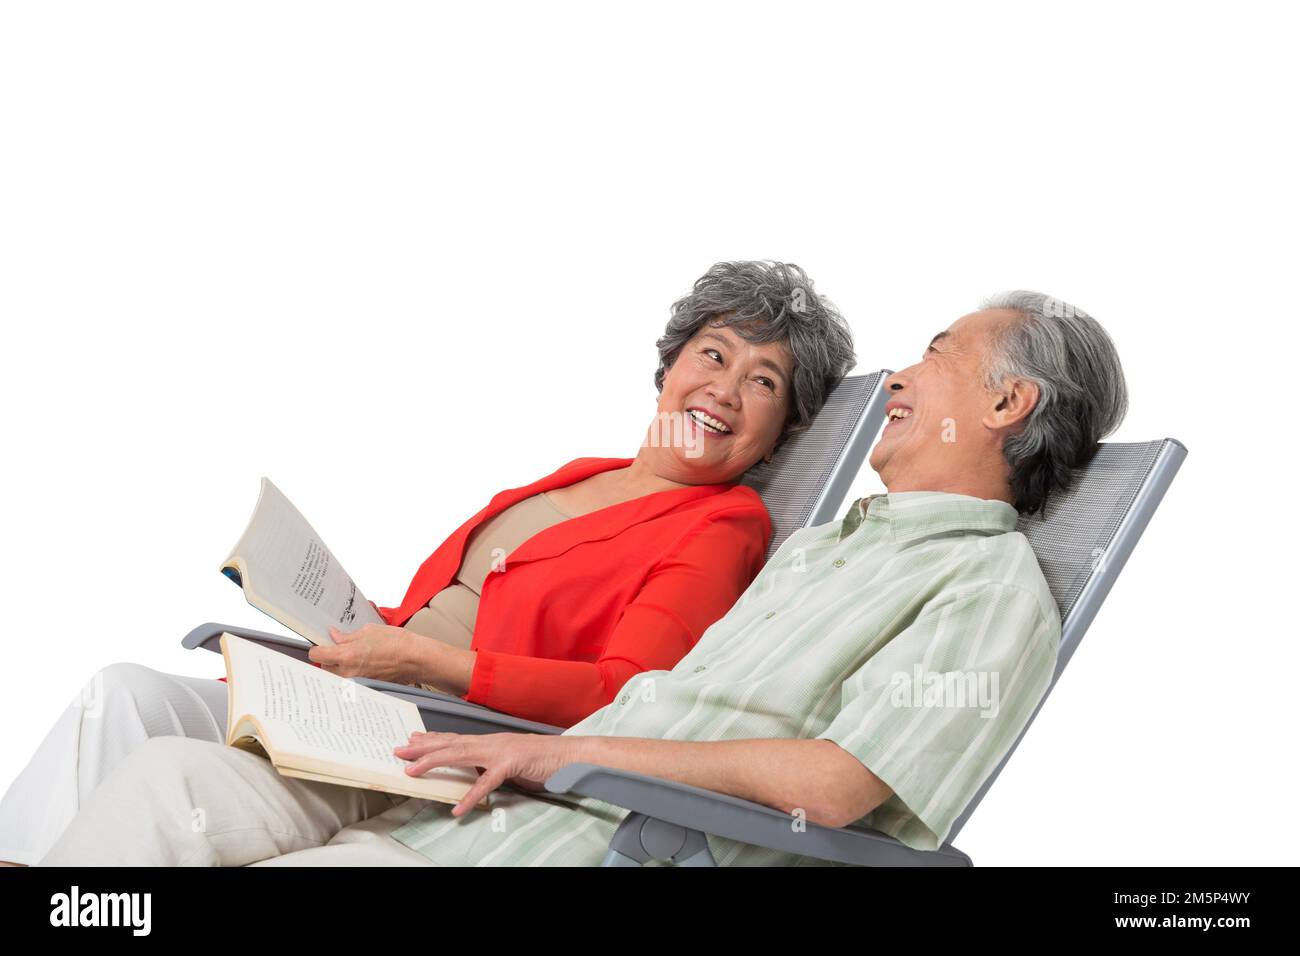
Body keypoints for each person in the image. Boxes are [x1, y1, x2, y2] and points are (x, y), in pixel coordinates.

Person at [36, 289, 1126, 868]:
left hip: (588, 830)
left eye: (932, 353)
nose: (896, 374)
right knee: (154, 785)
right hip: (494, 791)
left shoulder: (987, 590)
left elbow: (836, 787)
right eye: (710, 354)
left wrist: (560, 749)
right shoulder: (832, 544)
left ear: (1003, 405)